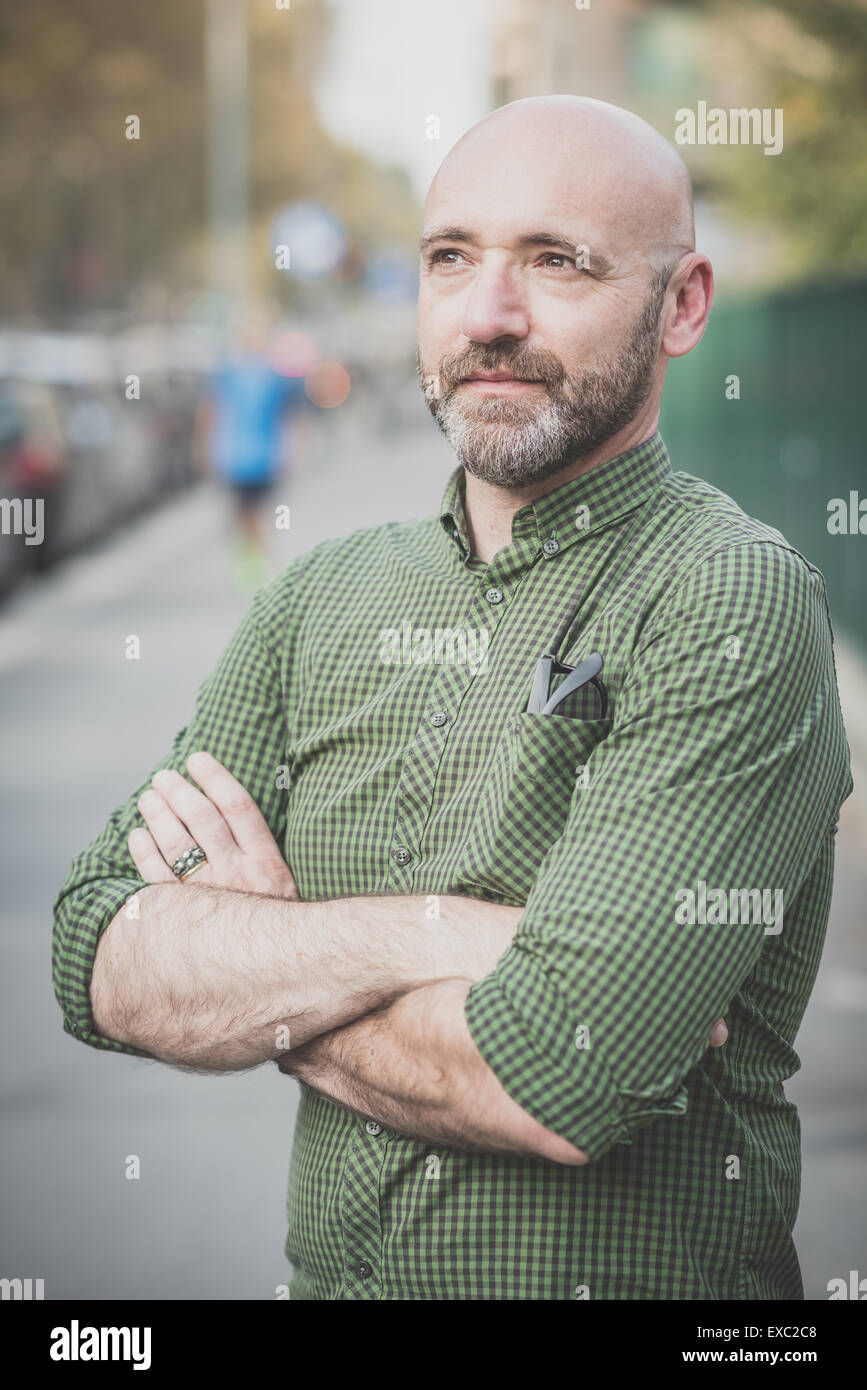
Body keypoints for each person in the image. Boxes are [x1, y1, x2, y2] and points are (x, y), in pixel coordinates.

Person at [52, 95, 852, 1301]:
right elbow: (95, 952)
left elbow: (562, 1074)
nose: (489, 315)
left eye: (557, 260)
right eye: (451, 258)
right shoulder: (318, 598)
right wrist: (435, 937)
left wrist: (268, 966)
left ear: (683, 304)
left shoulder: (727, 600)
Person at [194, 302, 306, 592]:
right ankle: (250, 559)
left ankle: (257, 562)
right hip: (235, 455)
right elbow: (211, 412)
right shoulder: (228, 372)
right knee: (243, 511)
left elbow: (288, 416)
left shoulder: (274, 375)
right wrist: (205, 448)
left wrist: (292, 450)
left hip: (262, 455)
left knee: (258, 511)